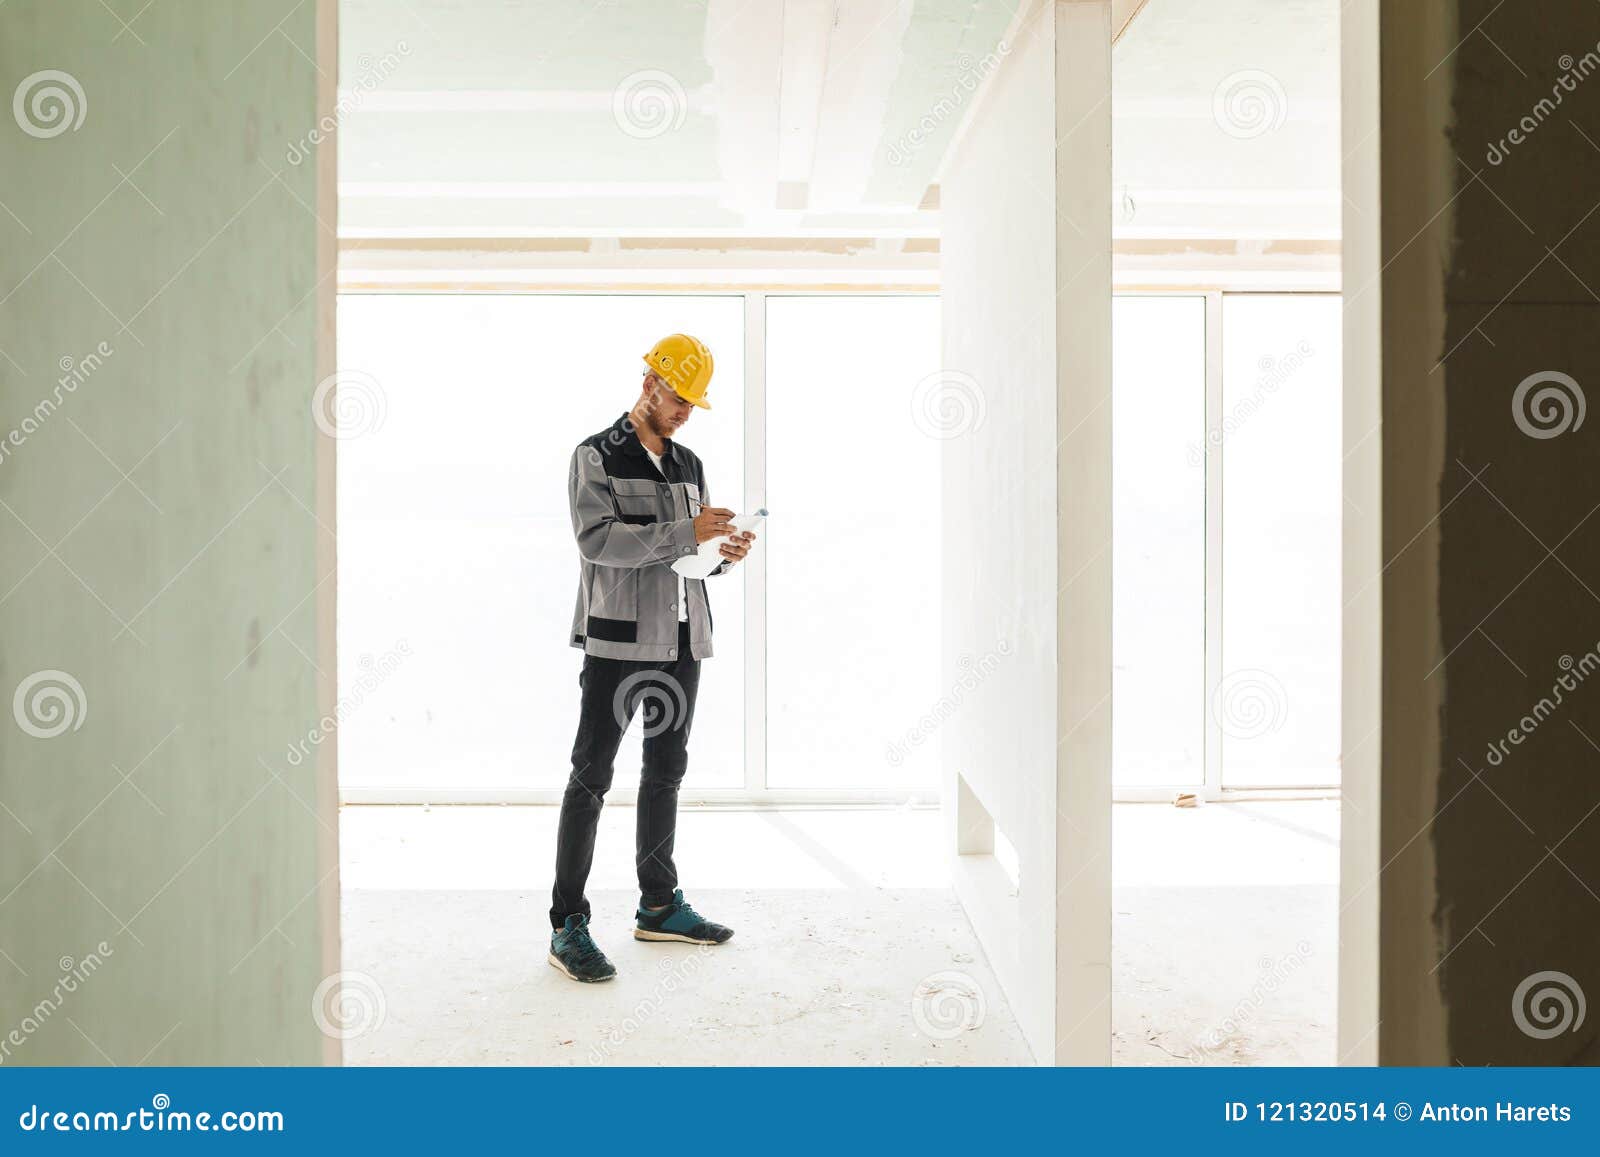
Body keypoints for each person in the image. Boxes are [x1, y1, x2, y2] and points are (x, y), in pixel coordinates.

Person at [548, 334, 755, 983]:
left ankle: (659, 905)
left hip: (682, 640)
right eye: (678, 398)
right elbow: (598, 540)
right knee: (591, 777)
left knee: (665, 772)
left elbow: (686, 557)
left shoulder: (689, 462)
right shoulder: (596, 456)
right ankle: (567, 924)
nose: (685, 412)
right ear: (649, 384)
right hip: (618, 642)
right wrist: (682, 533)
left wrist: (721, 554)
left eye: (694, 404)